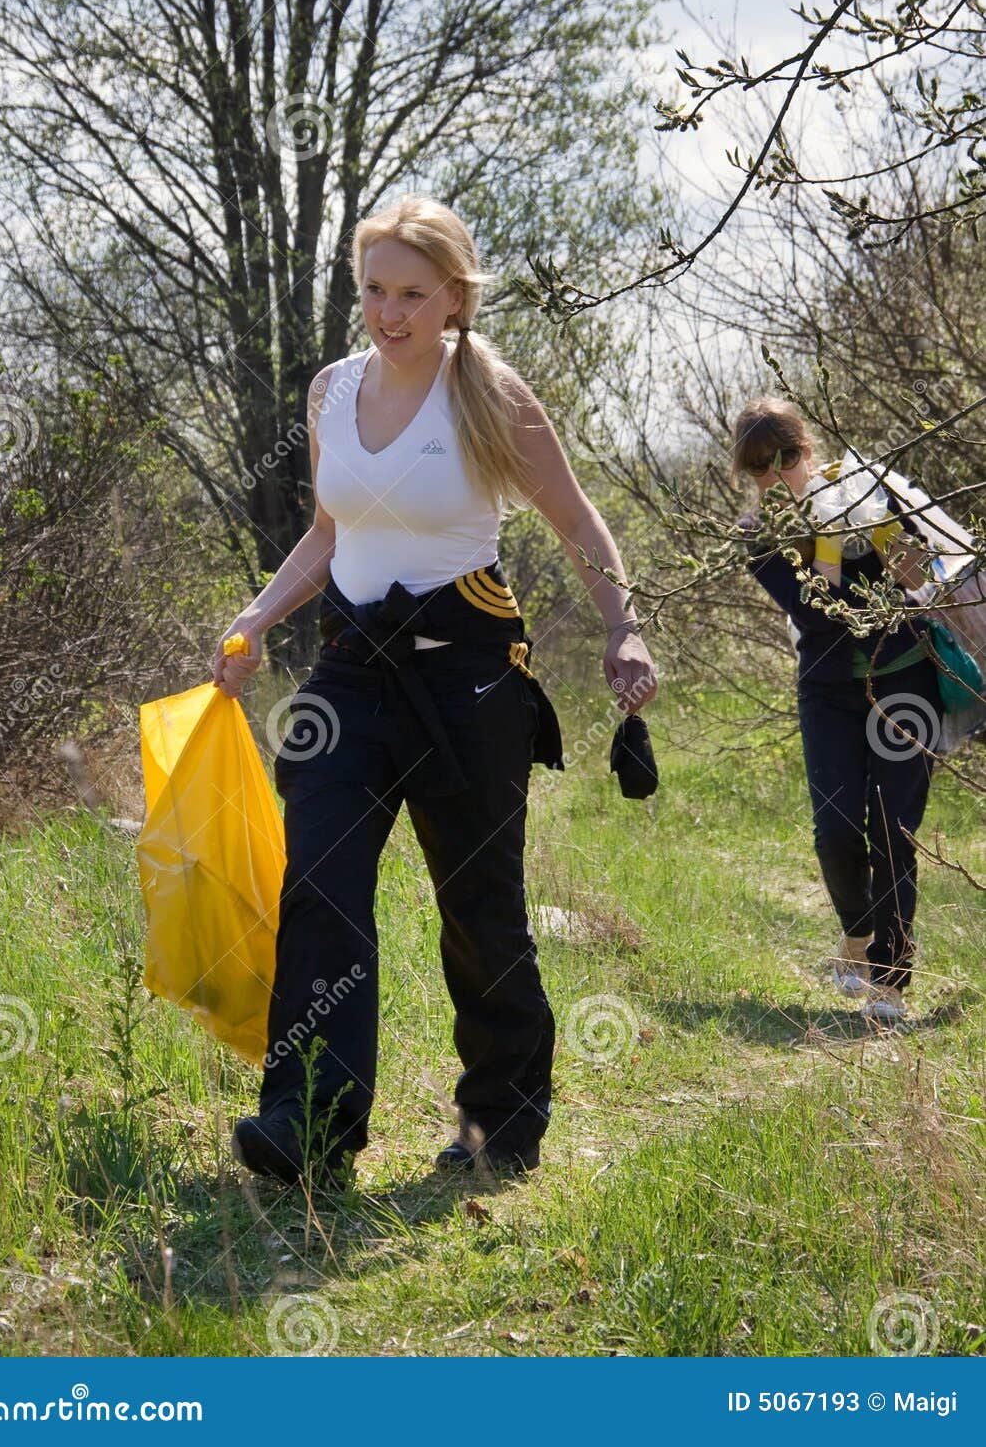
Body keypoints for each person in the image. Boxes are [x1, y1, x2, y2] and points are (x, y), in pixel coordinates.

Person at [212, 195, 658, 1183]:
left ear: (454, 296)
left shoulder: (487, 392)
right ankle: (309, 1123)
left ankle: (500, 1123)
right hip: (350, 669)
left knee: (477, 905)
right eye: (374, 290)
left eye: (412, 294)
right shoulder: (331, 391)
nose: (389, 313)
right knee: (319, 884)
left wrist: (622, 626)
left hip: (468, 676)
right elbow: (329, 534)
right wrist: (256, 618)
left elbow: (576, 522)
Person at [731, 397, 941, 1026]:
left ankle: (891, 980)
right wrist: (829, 538)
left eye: (785, 456)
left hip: (907, 680)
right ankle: (857, 931)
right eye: (760, 466)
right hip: (828, 692)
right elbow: (819, 616)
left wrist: (889, 539)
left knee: (894, 830)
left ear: (807, 449)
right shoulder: (758, 535)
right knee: (836, 829)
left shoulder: (869, 490)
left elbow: (923, 579)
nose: (777, 474)